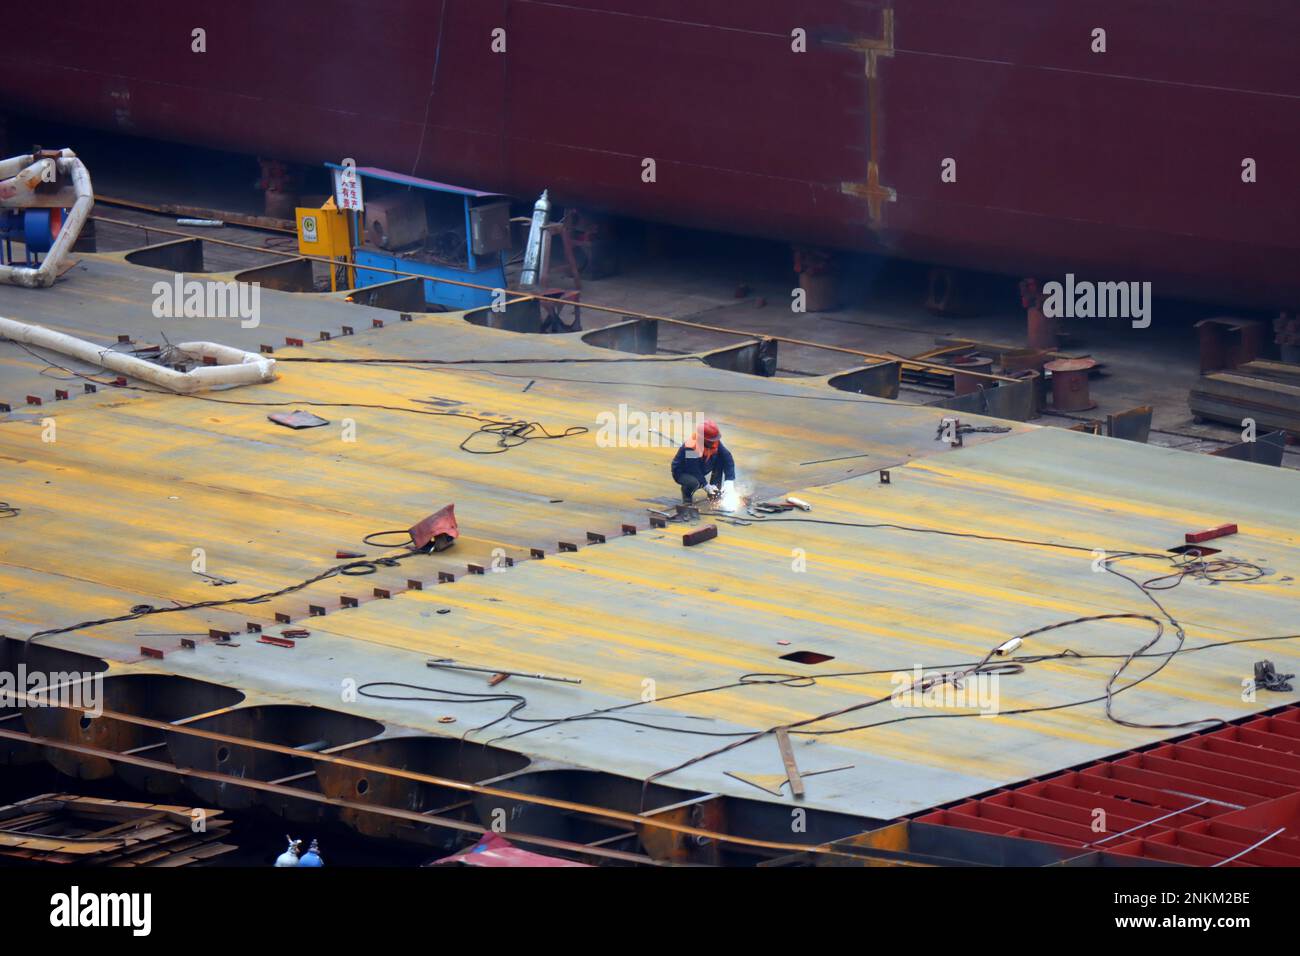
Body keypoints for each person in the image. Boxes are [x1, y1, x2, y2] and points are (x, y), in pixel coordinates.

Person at [671, 419, 735, 504]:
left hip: (701, 465)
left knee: (720, 460)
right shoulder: (691, 447)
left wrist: (729, 481)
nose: (714, 442)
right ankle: (687, 497)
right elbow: (693, 470)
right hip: (683, 472)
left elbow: (727, 457)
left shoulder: (714, 441)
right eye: (711, 440)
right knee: (694, 483)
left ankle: (714, 491)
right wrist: (705, 485)